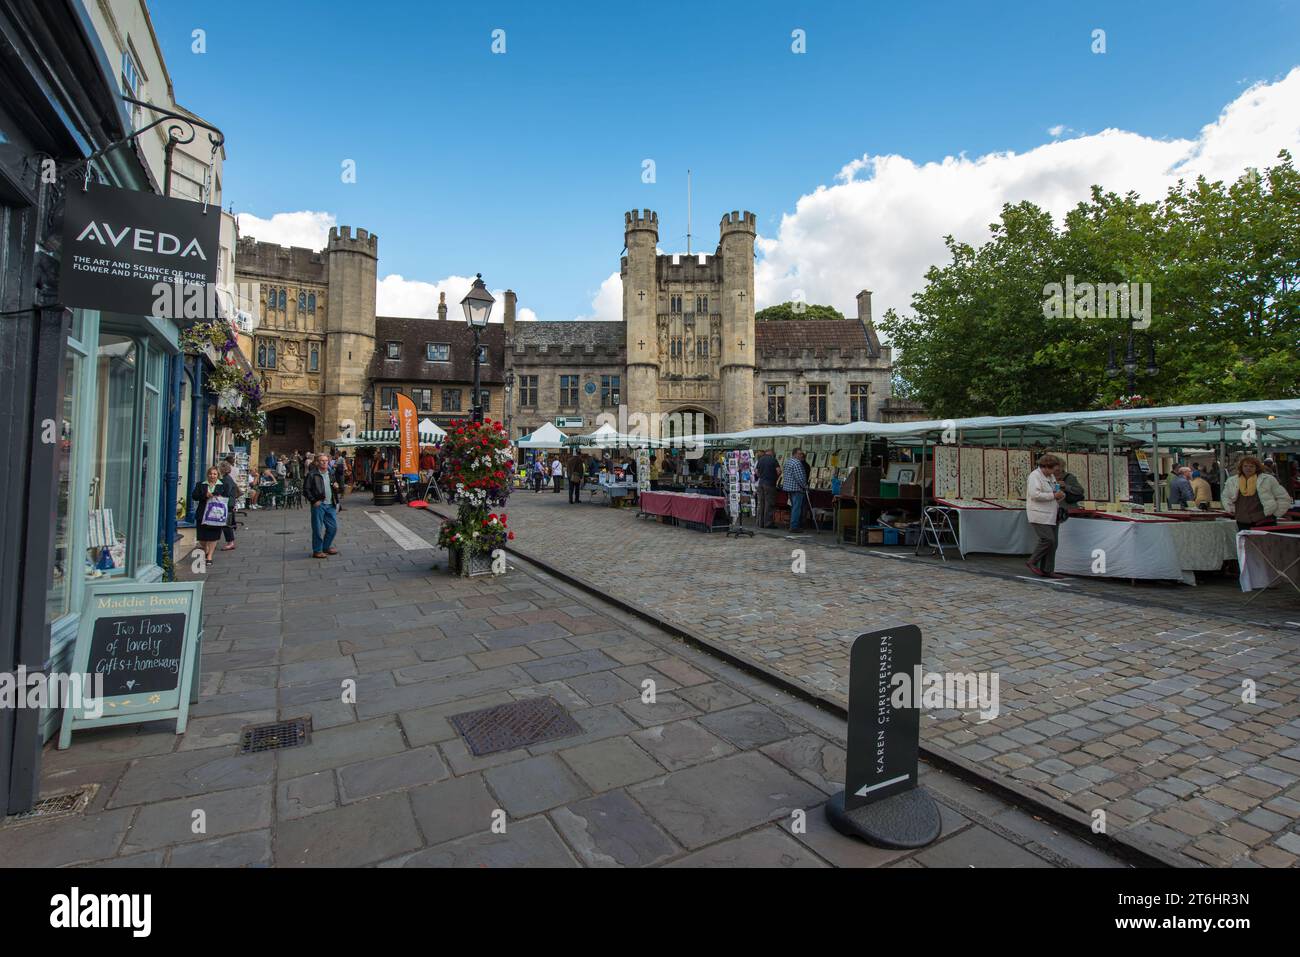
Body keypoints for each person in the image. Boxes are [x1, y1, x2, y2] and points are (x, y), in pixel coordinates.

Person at [1025, 453, 1066, 578]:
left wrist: (1059, 495)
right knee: (1048, 539)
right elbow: (1035, 495)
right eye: (1054, 468)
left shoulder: (1051, 476)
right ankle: (1032, 561)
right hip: (1038, 513)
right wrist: (1053, 496)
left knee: (1053, 543)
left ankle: (1048, 569)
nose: (1055, 472)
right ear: (1047, 466)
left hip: (1051, 513)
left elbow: (1054, 490)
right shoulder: (1035, 476)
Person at [1224, 455, 1290, 531]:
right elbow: (1225, 496)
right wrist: (1230, 509)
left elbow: (1283, 498)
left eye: (1251, 466)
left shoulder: (1268, 480)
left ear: (1257, 467)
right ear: (1241, 467)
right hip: (1242, 521)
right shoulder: (1232, 481)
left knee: (1265, 543)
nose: (1248, 468)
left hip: (1264, 521)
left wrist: (1276, 513)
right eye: (1245, 466)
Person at [305, 452, 340, 558]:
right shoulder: (312, 474)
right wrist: (314, 500)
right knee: (317, 529)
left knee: (333, 527)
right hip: (319, 505)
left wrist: (336, 486)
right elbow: (306, 490)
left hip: (330, 504)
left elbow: (334, 485)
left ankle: (326, 546)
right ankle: (317, 550)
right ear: (317, 462)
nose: (325, 462)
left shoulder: (331, 472)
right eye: (322, 461)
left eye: (326, 461)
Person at [193, 466, 228, 563]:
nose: (212, 476)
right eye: (210, 474)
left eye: (214, 474)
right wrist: (205, 495)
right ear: (207, 474)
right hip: (202, 512)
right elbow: (194, 496)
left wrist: (220, 496)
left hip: (216, 514)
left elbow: (228, 496)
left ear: (218, 475)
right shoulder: (200, 484)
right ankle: (206, 548)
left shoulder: (223, 485)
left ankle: (210, 556)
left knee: (213, 536)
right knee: (201, 537)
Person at [781, 448, 809, 532]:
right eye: (800, 454)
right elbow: (800, 478)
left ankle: (793, 524)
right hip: (796, 488)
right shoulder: (797, 463)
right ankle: (794, 526)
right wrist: (805, 486)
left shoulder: (788, 461)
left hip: (789, 487)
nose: (801, 455)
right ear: (795, 454)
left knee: (793, 507)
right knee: (796, 508)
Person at [218, 460, 239, 550]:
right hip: (230, 503)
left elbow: (226, 492)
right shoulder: (227, 478)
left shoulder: (226, 479)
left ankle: (230, 542)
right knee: (226, 523)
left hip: (227, 503)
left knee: (226, 524)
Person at [756, 448, 779, 528]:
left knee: (761, 503)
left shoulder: (760, 459)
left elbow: (756, 472)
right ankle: (768, 523)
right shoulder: (773, 460)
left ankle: (760, 523)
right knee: (769, 504)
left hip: (761, 483)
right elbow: (778, 471)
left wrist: (762, 476)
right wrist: (775, 477)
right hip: (770, 484)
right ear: (772, 453)